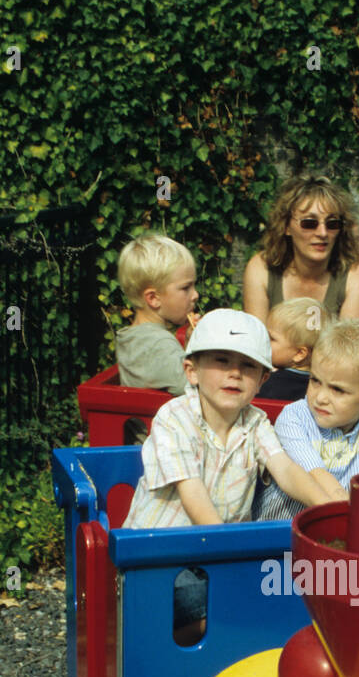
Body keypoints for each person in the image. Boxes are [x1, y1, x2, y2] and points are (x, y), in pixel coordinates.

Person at [123, 310, 333, 639]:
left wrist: (328, 509)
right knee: (230, 608)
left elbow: (286, 470)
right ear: (191, 371)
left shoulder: (255, 422)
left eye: (248, 366)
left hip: (218, 557)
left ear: (262, 380)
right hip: (160, 559)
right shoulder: (175, 418)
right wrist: (230, 557)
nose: (235, 373)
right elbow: (193, 494)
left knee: (291, 589)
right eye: (221, 361)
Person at [256, 318, 359, 521]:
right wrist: (355, 520)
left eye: (337, 390)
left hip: (339, 525)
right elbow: (316, 475)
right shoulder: (295, 416)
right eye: (315, 380)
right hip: (280, 529)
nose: (321, 398)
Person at [243, 174, 359, 323]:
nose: (322, 233)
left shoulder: (354, 275)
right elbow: (257, 336)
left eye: (332, 224)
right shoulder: (262, 269)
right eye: (309, 223)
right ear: (286, 227)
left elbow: (349, 338)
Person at [115, 233, 198, 392]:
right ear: (153, 298)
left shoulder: (137, 338)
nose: (195, 295)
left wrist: (190, 343)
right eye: (186, 288)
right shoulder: (158, 346)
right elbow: (197, 386)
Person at [258, 298, 329, 402]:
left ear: (299, 353)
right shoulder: (321, 388)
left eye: (272, 338)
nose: (265, 341)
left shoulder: (268, 385)